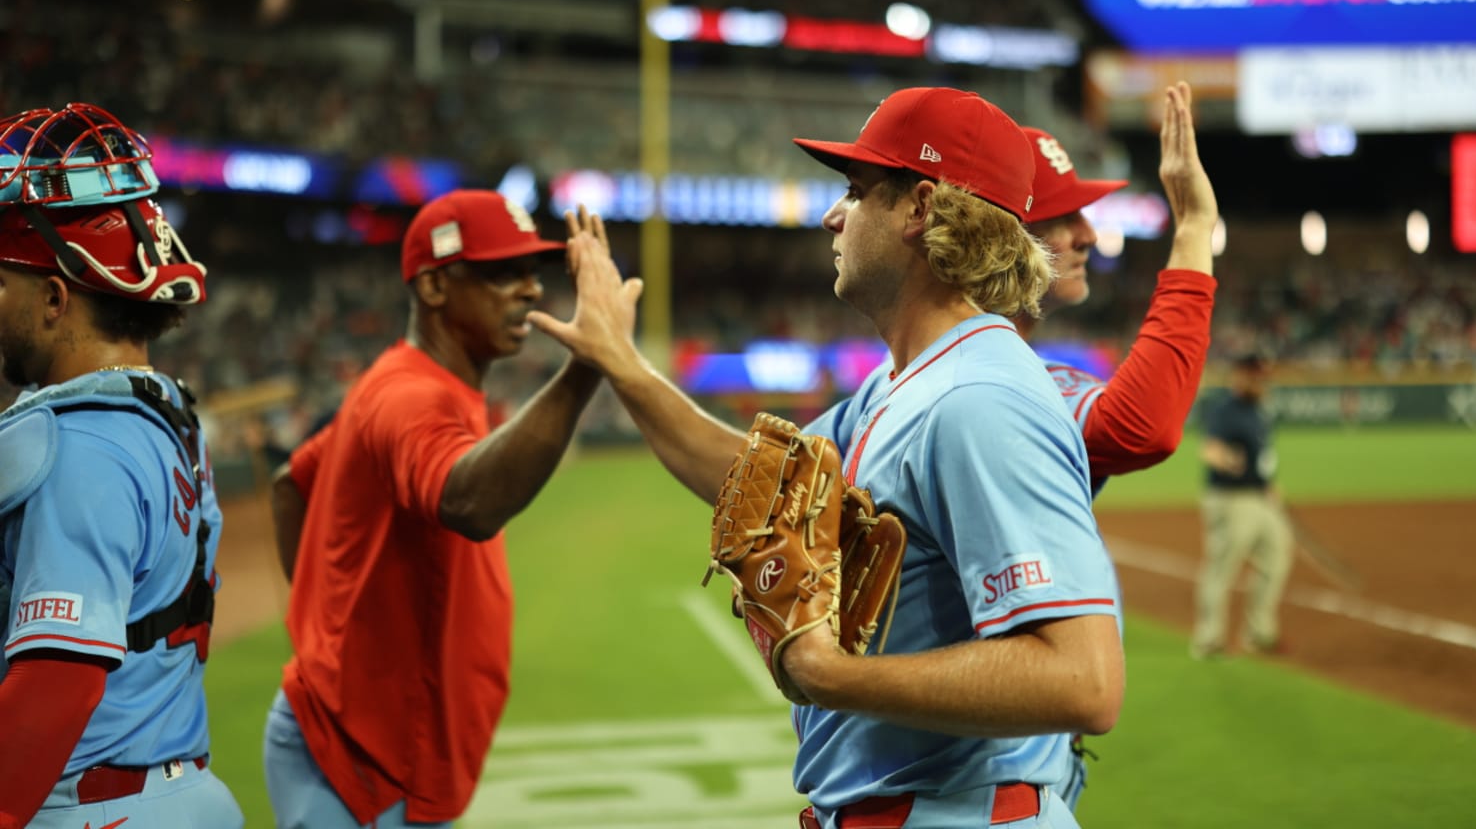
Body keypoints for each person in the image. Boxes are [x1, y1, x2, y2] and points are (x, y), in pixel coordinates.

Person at [533, 87, 1124, 828]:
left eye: (856, 191)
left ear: (921, 209)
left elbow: (1082, 681)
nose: (832, 216)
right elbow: (760, 483)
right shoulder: (904, 381)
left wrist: (828, 673)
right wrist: (620, 362)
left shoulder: (981, 399)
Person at [263, 190, 634, 827]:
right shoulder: (412, 396)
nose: (530, 289)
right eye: (501, 272)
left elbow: (289, 485)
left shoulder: (410, 382)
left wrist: (332, 634)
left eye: (532, 271)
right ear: (434, 286)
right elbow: (470, 503)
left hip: (384, 751)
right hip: (361, 762)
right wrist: (588, 365)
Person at [0, 104, 242, 827]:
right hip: (182, 794)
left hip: (91, 806)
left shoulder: (78, 445)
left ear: (54, 298)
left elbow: (58, 680)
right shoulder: (166, 413)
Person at [1013, 84, 1218, 809]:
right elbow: (1144, 424)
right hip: (983, 787)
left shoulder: (903, 382)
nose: (1088, 235)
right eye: (1058, 217)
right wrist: (1194, 229)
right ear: (994, 235)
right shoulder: (1000, 386)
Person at [1190, 352, 1294, 659]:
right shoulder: (1226, 410)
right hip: (1231, 498)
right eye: (1257, 377)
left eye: (1265, 378)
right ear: (1241, 376)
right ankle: (1209, 639)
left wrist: (1268, 484)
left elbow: (1261, 457)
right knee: (1222, 567)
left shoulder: (1259, 411)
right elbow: (1210, 450)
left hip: (1259, 498)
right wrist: (1228, 461)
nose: (1263, 383)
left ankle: (1258, 633)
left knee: (1276, 558)